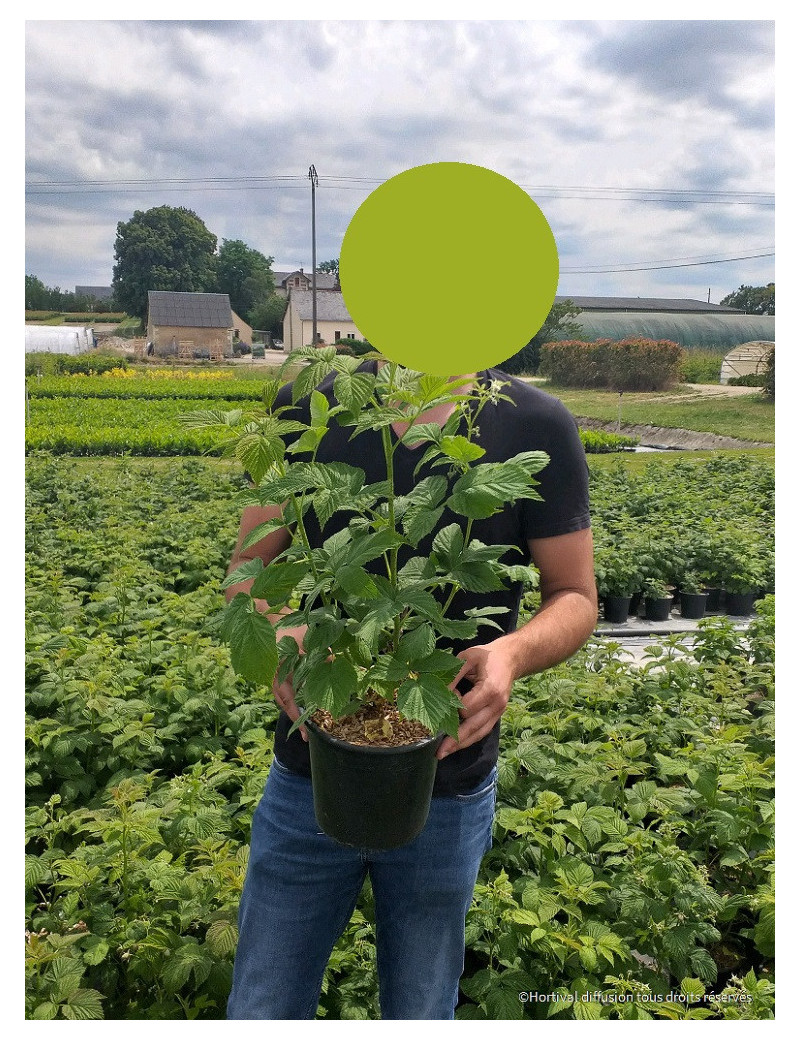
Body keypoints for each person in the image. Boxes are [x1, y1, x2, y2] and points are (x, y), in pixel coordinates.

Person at [225, 360, 597, 1020]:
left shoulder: (535, 423)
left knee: (422, 1010)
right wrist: (282, 634)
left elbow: (574, 596)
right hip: (309, 773)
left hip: (446, 782)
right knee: (263, 1004)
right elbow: (249, 571)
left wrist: (510, 652)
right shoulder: (310, 401)